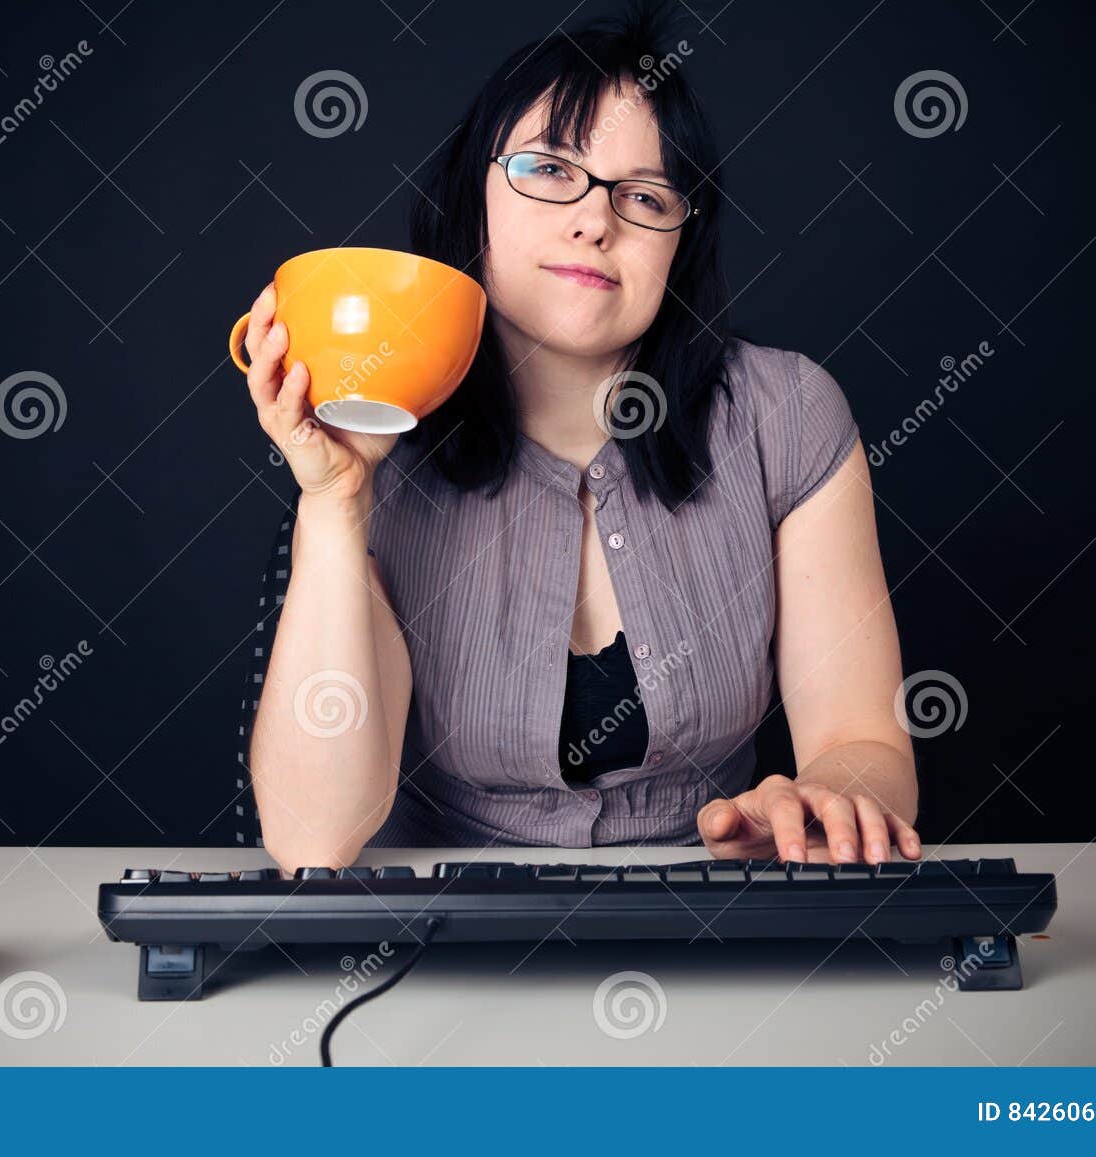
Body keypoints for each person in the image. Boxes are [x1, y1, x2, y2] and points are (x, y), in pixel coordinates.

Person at [243, 1, 921, 875]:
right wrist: (335, 503)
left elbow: (867, 742)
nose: (596, 221)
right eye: (549, 169)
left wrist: (823, 801)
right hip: (435, 932)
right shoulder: (381, 437)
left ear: (680, 241)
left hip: (715, 913)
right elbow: (312, 838)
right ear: (473, 199)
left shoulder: (785, 413)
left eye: (643, 195)